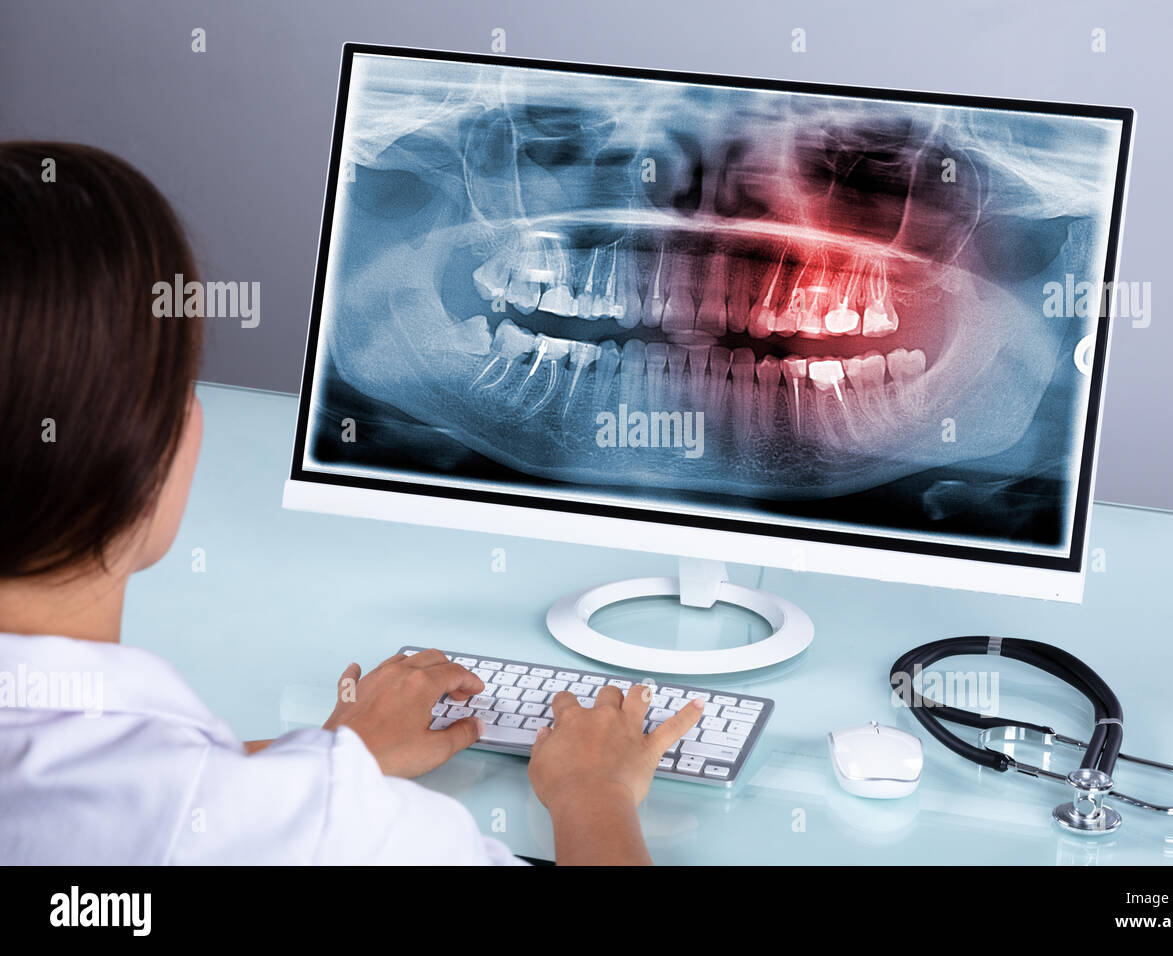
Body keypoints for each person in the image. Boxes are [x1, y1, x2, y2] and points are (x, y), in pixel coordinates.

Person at [0, 142, 701, 866]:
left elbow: (101, 795)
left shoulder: (231, 810)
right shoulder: (345, 835)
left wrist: (324, 762)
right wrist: (594, 793)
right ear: (158, 454)